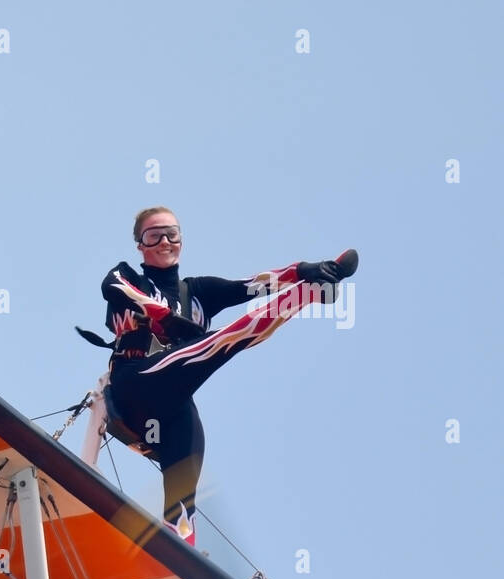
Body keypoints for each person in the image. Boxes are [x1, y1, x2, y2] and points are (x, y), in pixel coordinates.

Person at [81, 206, 357, 546]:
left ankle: (180, 545)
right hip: (133, 381)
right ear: (140, 245)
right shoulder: (127, 275)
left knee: (188, 466)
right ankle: (308, 295)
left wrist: (305, 269)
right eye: (154, 236)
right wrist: (164, 318)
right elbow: (113, 288)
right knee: (221, 342)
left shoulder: (197, 291)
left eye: (172, 233)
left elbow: (252, 286)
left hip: (172, 400)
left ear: (182, 240)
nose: (164, 241)